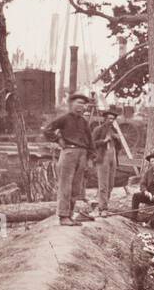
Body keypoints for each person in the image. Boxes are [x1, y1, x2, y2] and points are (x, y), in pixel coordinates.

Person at [42, 92, 94, 226]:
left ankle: (70, 215)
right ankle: (63, 216)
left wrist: (89, 158)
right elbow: (47, 130)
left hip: (82, 154)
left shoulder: (84, 122)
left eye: (83, 104)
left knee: (76, 187)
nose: (81, 107)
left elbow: (90, 141)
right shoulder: (64, 118)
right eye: (78, 103)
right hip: (69, 153)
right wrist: (58, 139)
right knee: (65, 185)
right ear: (71, 104)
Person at [90, 106, 125, 216]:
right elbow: (92, 144)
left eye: (113, 119)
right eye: (109, 118)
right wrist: (104, 141)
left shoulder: (114, 130)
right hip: (103, 157)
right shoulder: (98, 129)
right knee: (103, 184)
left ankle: (105, 205)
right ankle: (102, 208)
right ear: (105, 119)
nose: (111, 121)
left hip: (113, 156)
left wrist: (118, 140)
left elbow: (119, 147)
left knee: (111, 184)